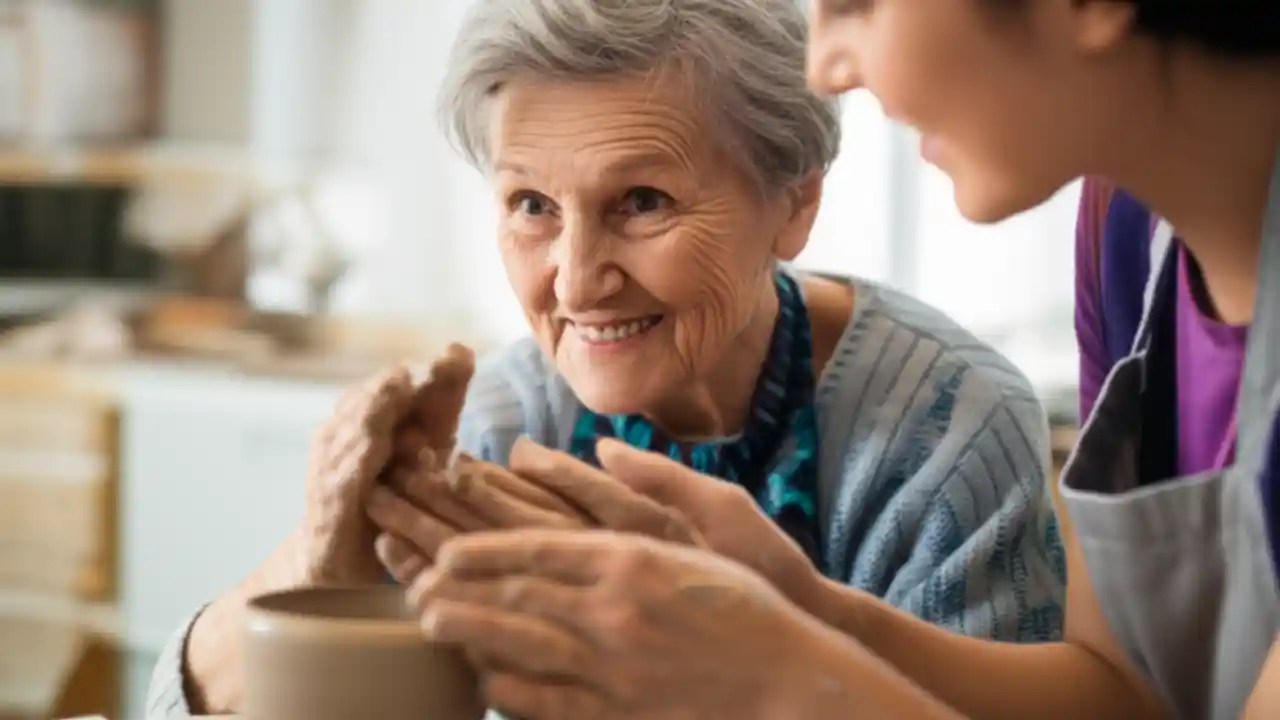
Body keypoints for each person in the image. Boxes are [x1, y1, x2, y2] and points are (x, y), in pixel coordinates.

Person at [145, 0, 1066, 715]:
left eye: (643, 201)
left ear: (794, 203)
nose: (578, 282)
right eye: (532, 206)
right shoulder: (504, 421)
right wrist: (313, 569)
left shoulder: (947, 431)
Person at [382, 1, 1280, 718]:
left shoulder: (947, 416)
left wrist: (779, 672)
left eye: (860, 3)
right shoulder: (1126, 232)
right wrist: (808, 608)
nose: (825, 66)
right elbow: (1124, 695)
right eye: (530, 204)